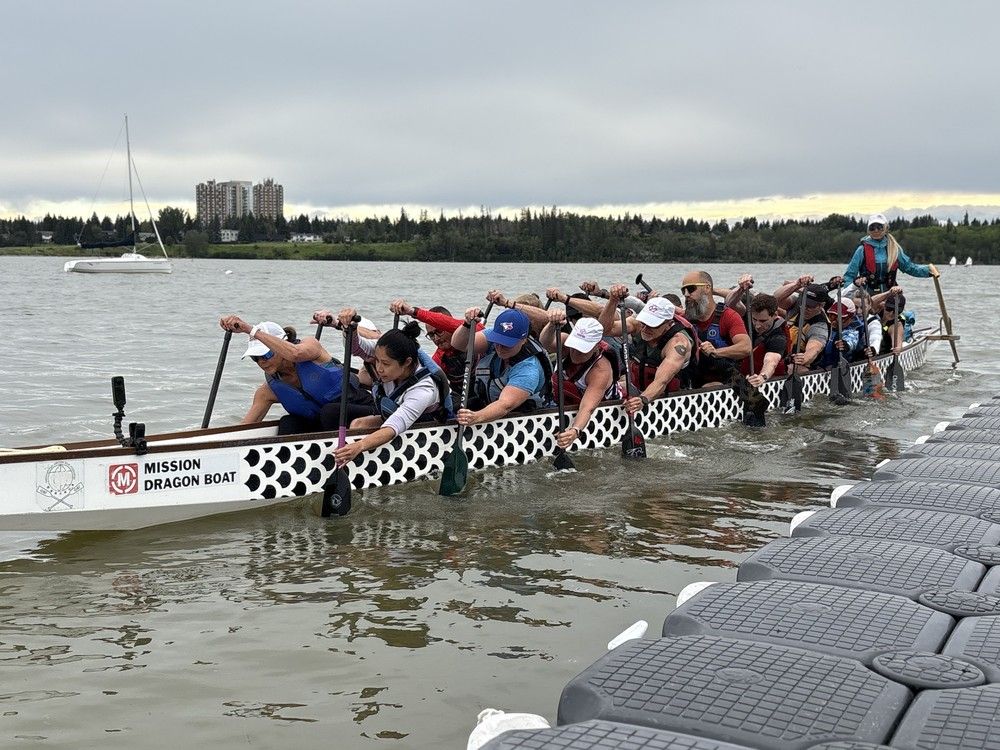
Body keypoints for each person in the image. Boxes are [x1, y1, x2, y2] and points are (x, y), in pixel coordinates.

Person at [219, 316, 373, 435]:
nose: (261, 362)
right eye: (255, 358)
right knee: (288, 422)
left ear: (282, 345)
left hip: (364, 409)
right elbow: (243, 429)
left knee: (330, 412)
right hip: (327, 426)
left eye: (266, 355)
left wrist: (249, 329)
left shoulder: (311, 348)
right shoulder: (267, 392)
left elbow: (295, 353)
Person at [332, 321, 452, 466]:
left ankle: (361, 459)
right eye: (377, 361)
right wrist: (349, 328)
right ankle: (348, 458)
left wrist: (360, 446)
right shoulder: (385, 354)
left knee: (362, 436)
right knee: (358, 424)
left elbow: (392, 427)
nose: (379, 369)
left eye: (386, 364)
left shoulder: (423, 389)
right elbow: (356, 348)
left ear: (407, 362)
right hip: (394, 417)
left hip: (425, 431)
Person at [598, 285, 698, 414]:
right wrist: (613, 300)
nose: (645, 329)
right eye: (644, 322)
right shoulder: (637, 324)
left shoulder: (678, 344)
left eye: (652, 325)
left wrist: (642, 400)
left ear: (668, 324)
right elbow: (604, 330)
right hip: (638, 389)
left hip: (671, 399)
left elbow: (661, 381)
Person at [453, 307, 552, 427]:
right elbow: (459, 344)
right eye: (497, 341)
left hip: (525, 422)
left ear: (523, 340)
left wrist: (476, 417)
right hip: (489, 406)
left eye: (506, 344)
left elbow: (505, 405)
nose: (499, 348)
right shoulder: (496, 334)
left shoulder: (529, 369)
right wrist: (467, 324)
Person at [539, 312, 621, 450]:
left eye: (583, 348)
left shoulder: (600, 370)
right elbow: (545, 343)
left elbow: (587, 408)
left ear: (596, 345)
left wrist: (575, 431)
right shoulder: (565, 343)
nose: (576, 353)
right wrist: (551, 325)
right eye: (575, 346)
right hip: (566, 402)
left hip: (602, 412)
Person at [388, 298, 483, 401]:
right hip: (465, 400)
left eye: (439, 331)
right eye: (431, 335)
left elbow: (453, 324)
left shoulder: (475, 331)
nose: (436, 338)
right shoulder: (438, 359)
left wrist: (412, 311)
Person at [679, 270, 751, 386]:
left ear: (707, 288)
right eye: (683, 291)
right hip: (694, 379)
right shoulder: (685, 318)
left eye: (691, 289)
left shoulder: (728, 316)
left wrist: (716, 352)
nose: (686, 294)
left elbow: (746, 347)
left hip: (726, 381)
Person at [843, 213, 939, 293]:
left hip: (890, 294)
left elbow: (910, 268)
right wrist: (851, 294)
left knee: (897, 309)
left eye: (879, 227)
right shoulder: (861, 250)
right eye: (872, 227)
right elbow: (849, 276)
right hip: (867, 296)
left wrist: (928, 270)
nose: (876, 230)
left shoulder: (894, 249)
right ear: (868, 230)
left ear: (885, 228)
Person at [742, 293, 790, 387]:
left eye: (763, 321)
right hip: (744, 376)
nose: (757, 325)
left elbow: (771, 362)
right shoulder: (748, 317)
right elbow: (730, 301)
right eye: (754, 319)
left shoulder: (778, 337)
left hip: (770, 382)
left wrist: (762, 377)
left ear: (775, 315)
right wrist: (740, 288)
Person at [819, 298, 865, 368]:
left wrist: (845, 344)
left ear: (851, 318)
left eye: (841, 318)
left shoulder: (852, 331)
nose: (834, 321)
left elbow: (851, 340)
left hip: (838, 369)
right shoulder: (824, 325)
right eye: (832, 316)